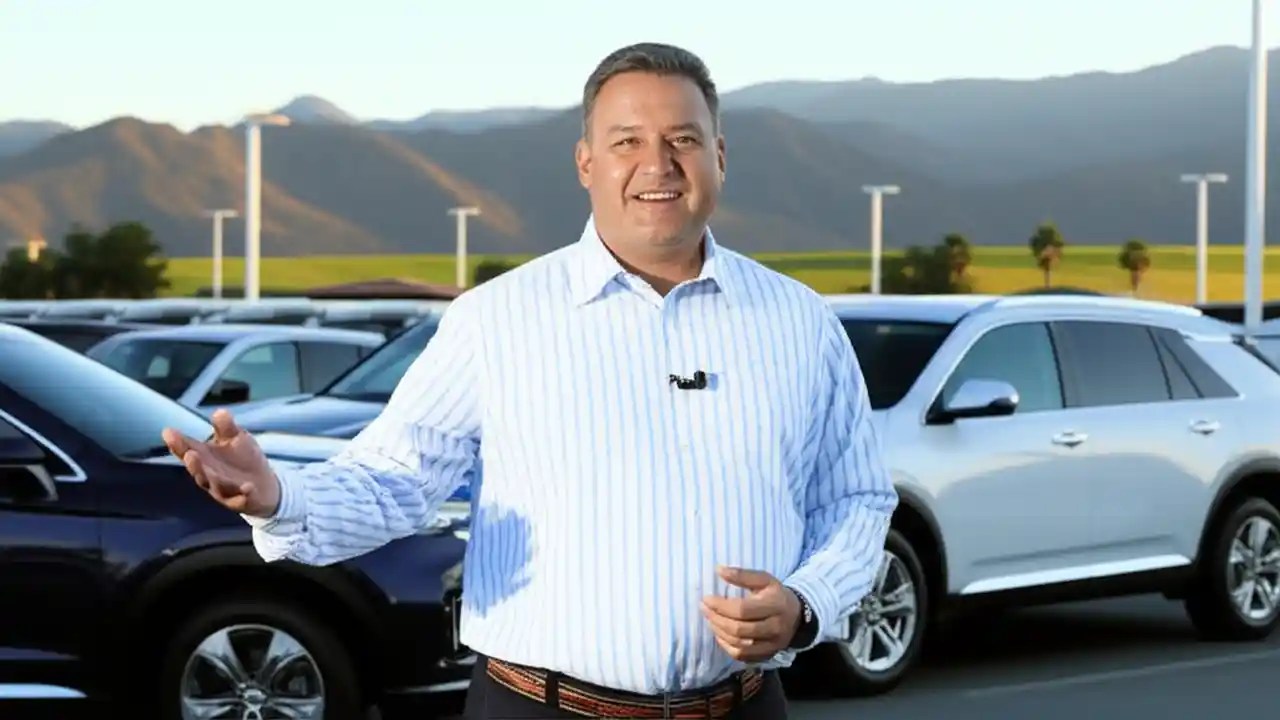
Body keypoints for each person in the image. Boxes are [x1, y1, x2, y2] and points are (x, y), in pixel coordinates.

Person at [162, 41, 898, 720]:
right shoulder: (497, 319)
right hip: (537, 707)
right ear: (586, 163)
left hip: (743, 707)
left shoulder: (800, 321)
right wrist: (278, 496)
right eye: (627, 142)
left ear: (720, 155)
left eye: (683, 139)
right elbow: (396, 479)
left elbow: (856, 499)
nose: (658, 164)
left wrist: (808, 602)